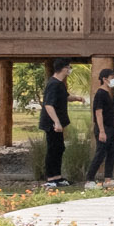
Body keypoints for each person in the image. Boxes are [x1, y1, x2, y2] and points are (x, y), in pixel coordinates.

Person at [39, 58, 73, 186]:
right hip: (51, 124)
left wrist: (76, 98)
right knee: (53, 149)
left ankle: (57, 177)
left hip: (58, 123)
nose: (69, 70)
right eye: (69, 67)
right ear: (63, 68)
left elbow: (65, 97)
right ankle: (50, 178)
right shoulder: (53, 84)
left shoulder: (60, 84)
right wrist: (56, 122)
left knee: (59, 148)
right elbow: (48, 105)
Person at [85, 65, 114, 184]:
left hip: (111, 128)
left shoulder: (109, 93)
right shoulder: (100, 93)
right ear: (104, 79)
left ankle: (108, 179)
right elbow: (98, 113)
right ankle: (89, 179)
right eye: (112, 77)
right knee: (100, 154)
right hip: (103, 128)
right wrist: (102, 131)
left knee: (112, 153)